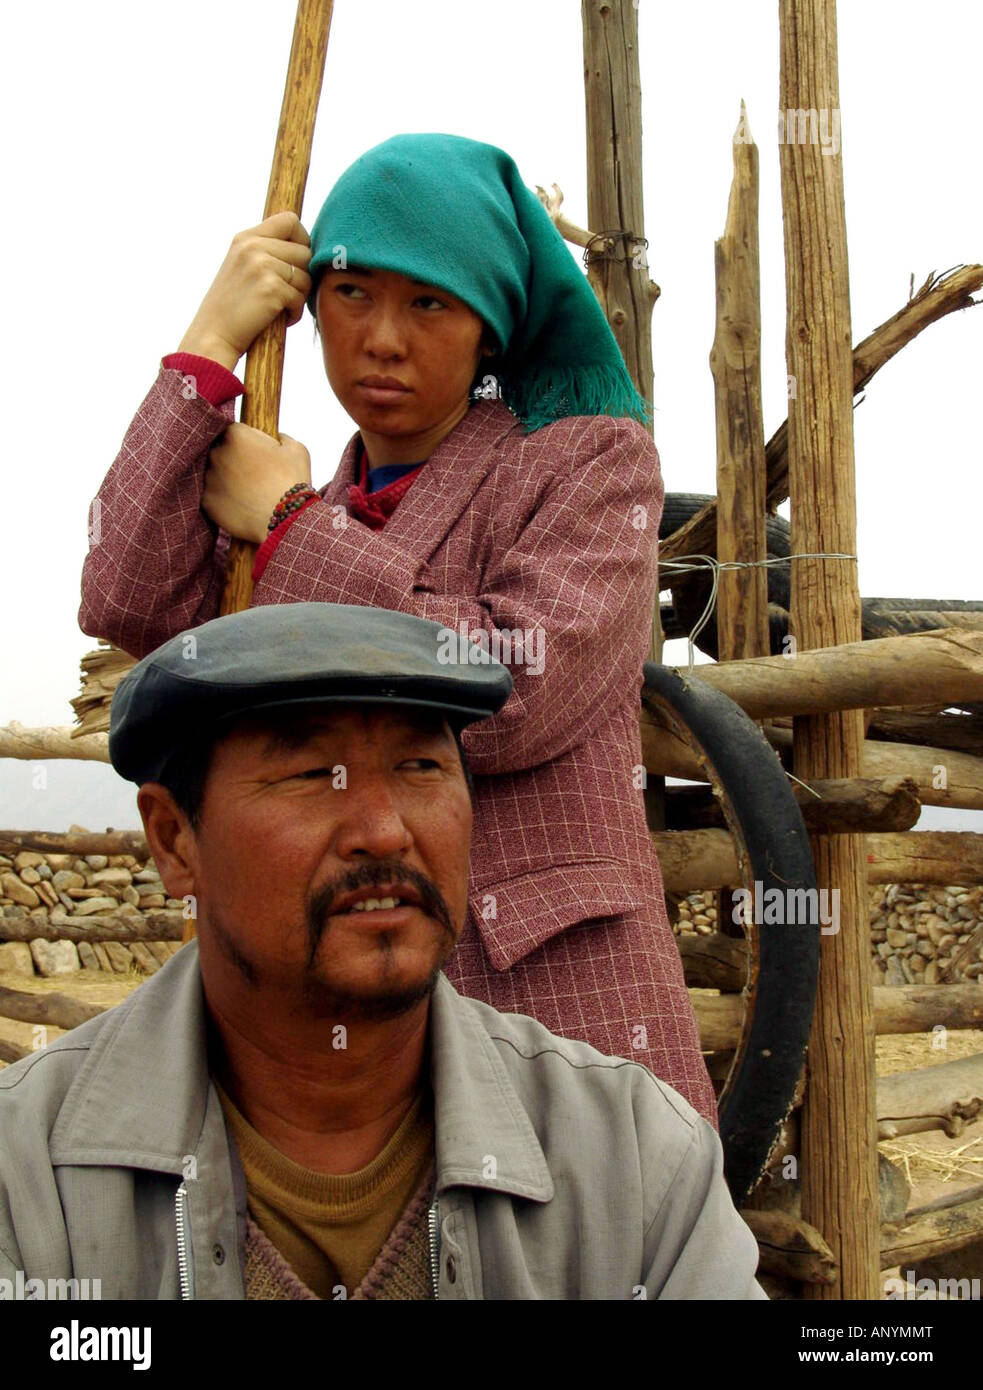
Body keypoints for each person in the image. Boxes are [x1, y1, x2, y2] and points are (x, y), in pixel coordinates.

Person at [78, 133, 716, 1123]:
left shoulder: (587, 463)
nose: (381, 337)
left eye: (429, 302)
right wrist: (207, 347)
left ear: (488, 328)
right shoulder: (299, 488)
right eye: (349, 292)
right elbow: (126, 595)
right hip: (340, 1005)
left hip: (550, 1006)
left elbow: (513, 689)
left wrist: (289, 526)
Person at [0, 604, 764, 1300]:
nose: (385, 830)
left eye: (420, 767)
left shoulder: (631, 1159)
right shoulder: (27, 1181)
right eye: (309, 774)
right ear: (173, 840)